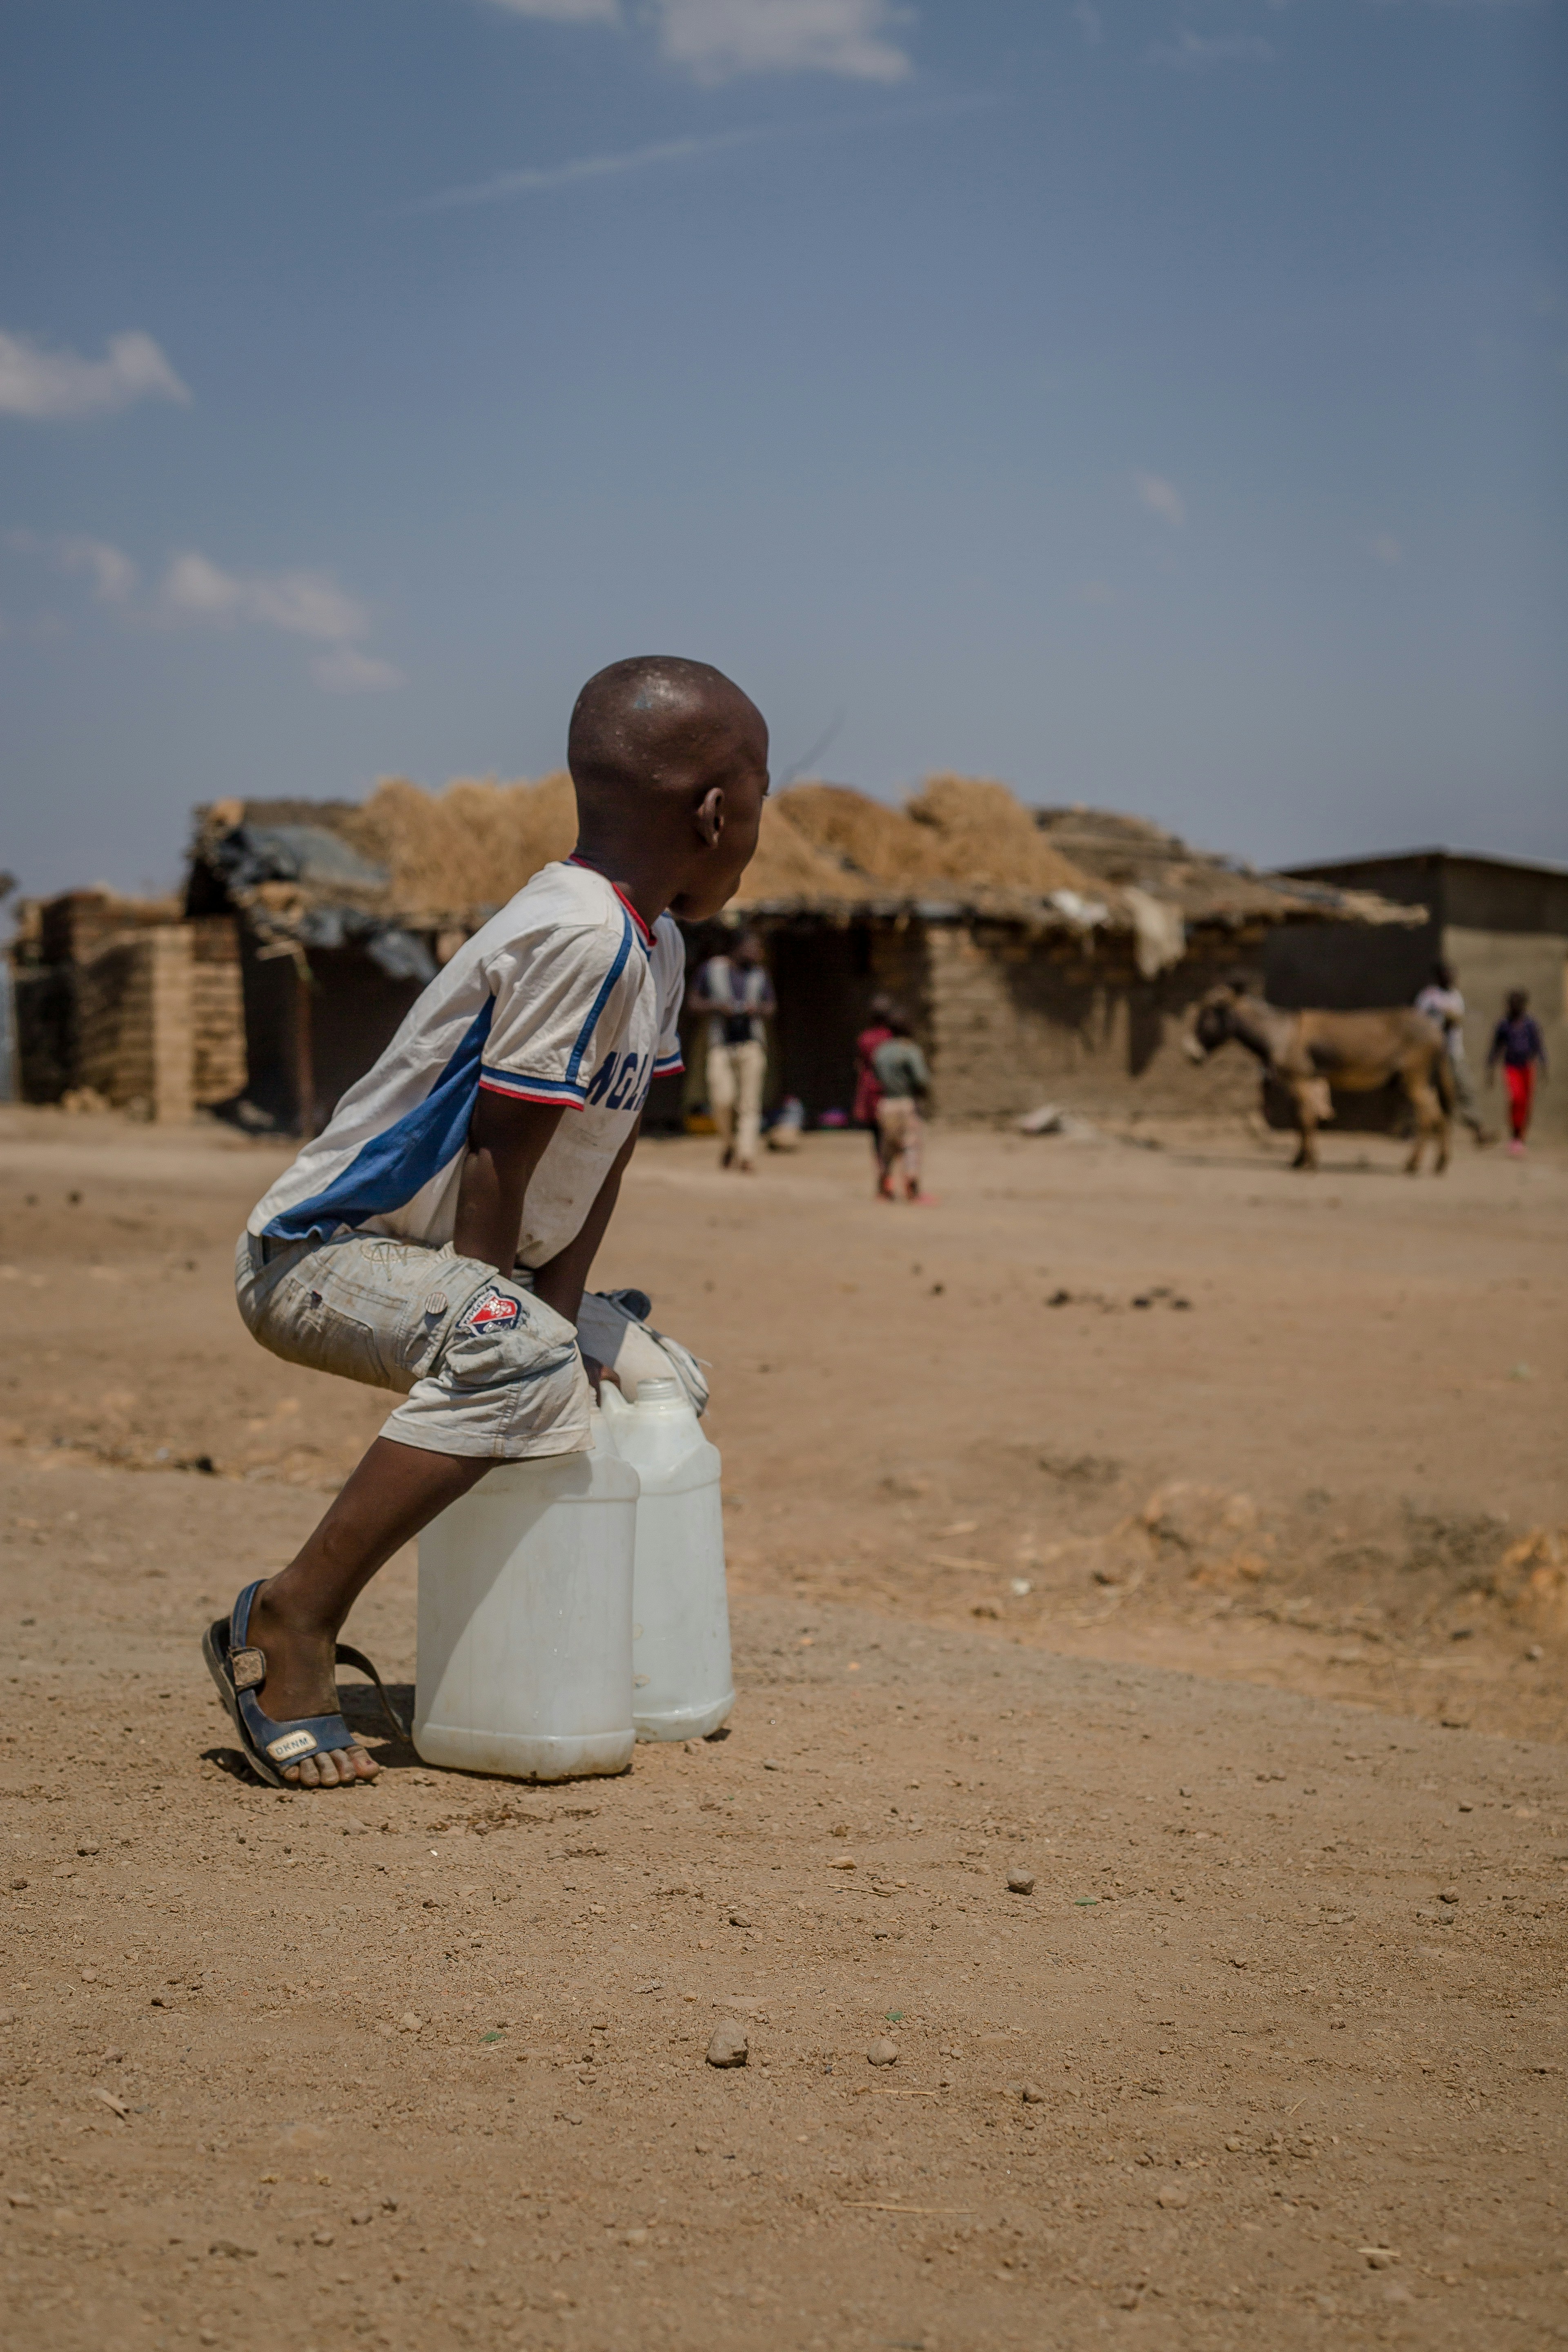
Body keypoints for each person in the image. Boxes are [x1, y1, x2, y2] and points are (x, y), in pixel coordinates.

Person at [207, 655, 768, 1789]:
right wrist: (522, 1331)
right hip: (321, 1257)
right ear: (716, 811)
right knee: (520, 1357)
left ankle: (591, 1665)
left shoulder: (655, 943)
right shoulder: (581, 934)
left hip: (448, 1270)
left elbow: (596, 1158)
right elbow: (495, 1161)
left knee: (660, 1378)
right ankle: (291, 1622)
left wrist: (562, 1322)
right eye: (762, 799)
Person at [691, 930, 775, 1171]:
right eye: (754, 946)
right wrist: (719, 1007)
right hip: (721, 1045)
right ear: (739, 947)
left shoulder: (760, 975)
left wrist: (755, 1009)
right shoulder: (712, 969)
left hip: (751, 1045)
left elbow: (771, 1007)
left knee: (750, 1103)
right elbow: (694, 1003)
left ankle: (746, 1155)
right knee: (722, 1100)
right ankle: (729, 1143)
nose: (759, 953)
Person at [1415, 959, 1486, 1142]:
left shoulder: (1456, 997)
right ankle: (1416, 1129)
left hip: (1453, 1052)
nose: (1450, 977)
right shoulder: (1429, 996)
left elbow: (1456, 1020)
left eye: (1452, 974)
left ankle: (1478, 1129)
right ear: (1439, 976)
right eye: (1446, 973)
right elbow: (1418, 1022)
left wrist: (1450, 1021)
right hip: (1429, 1053)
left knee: (1464, 1087)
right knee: (1423, 1089)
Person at [871, 1008, 931, 1201]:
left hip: (886, 1104)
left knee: (887, 1148)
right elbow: (921, 1078)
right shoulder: (909, 1050)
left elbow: (876, 1075)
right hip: (906, 1103)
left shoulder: (881, 1051)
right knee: (910, 1145)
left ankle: (885, 1188)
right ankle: (912, 1190)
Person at [1487, 988, 1548, 1156]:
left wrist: (1544, 1064)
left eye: (1519, 1003)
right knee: (1517, 1099)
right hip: (1511, 1067)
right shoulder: (1504, 1024)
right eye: (1512, 1004)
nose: (1515, 1007)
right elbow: (1496, 1047)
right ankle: (1515, 1137)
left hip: (1527, 1067)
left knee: (1526, 1103)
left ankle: (1521, 1137)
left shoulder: (1530, 1024)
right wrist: (1491, 1069)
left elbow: (1538, 1045)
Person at [853, 992, 895, 1180]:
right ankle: (891, 1175)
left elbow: (860, 1064)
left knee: (877, 1137)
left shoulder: (865, 1038)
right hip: (887, 1091)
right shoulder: (891, 1038)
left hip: (869, 1091)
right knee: (892, 1136)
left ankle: (883, 1177)